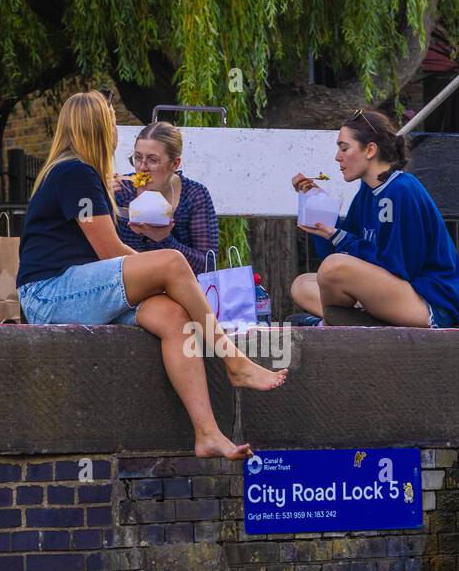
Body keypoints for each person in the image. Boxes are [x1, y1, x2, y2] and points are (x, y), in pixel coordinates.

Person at [16, 91, 286, 459]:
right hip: (50, 295)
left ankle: (207, 434)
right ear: (99, 128)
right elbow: (110, 253)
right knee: (172, 263)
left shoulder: (80, 174)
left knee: (174, 318)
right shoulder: (75, 173)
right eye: (112, 124)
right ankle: (233, 360)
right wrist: (162, 274)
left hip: (78, 291)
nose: (115, 133)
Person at [290, 108, 459, 327]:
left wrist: (338, 236)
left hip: (427, 303)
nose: (338, 157)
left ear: (370, 150)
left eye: (344, 148)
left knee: (333, 268)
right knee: (302, 285)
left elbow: (400, 268)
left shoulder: (402, 190)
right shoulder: (367, 192)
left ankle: (329, 325)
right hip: (392, 294)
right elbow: (342, 251)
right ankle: (356, 323)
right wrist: (319, 211)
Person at [114, 121, 217, 274]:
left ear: (175, 164)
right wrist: (99, 198)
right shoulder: (121, 191)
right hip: (131, 283)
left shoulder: (194, 195)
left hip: (181, 285)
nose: (142, 167)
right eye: (137, 158)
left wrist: (164, 239)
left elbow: (208, 265)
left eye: (152, 160)